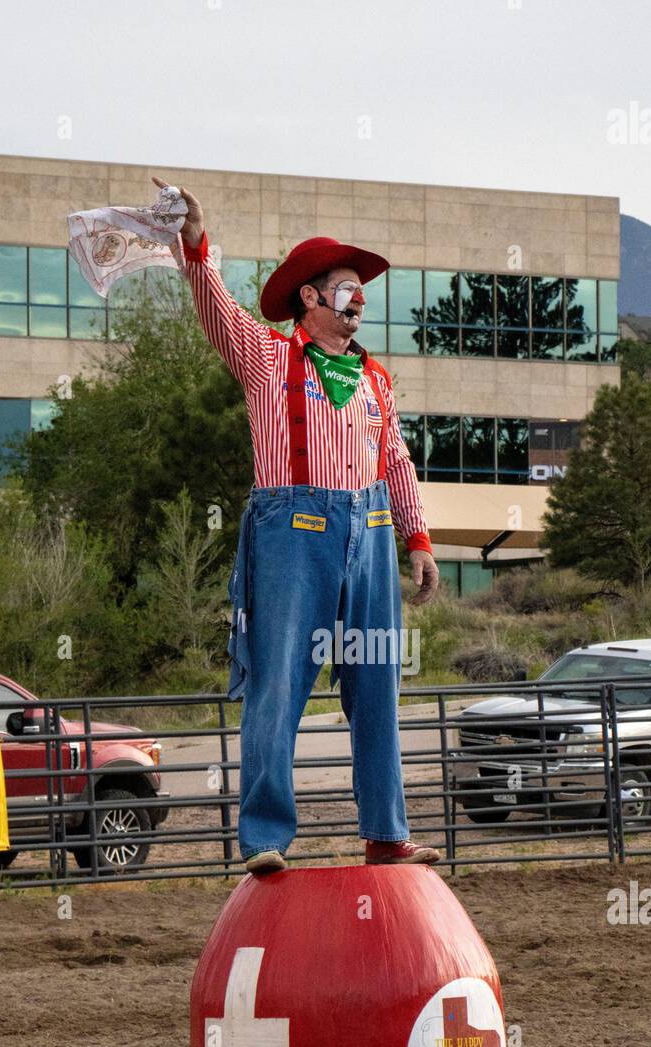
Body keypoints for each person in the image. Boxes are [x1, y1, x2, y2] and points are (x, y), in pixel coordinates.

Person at [155, 177, 442, 873]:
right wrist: (196, 244)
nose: (360, 298)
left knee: (377, 685)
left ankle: (386, 834)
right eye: (346, 286)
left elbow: (396, 459)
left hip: (369, 527)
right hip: (294, 530)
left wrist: (417, 537)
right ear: (310, 298)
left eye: (360, 288)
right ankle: (264, 841)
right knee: (278, 682)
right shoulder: (267, 358)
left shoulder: (376, 381)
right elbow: (217, 311)